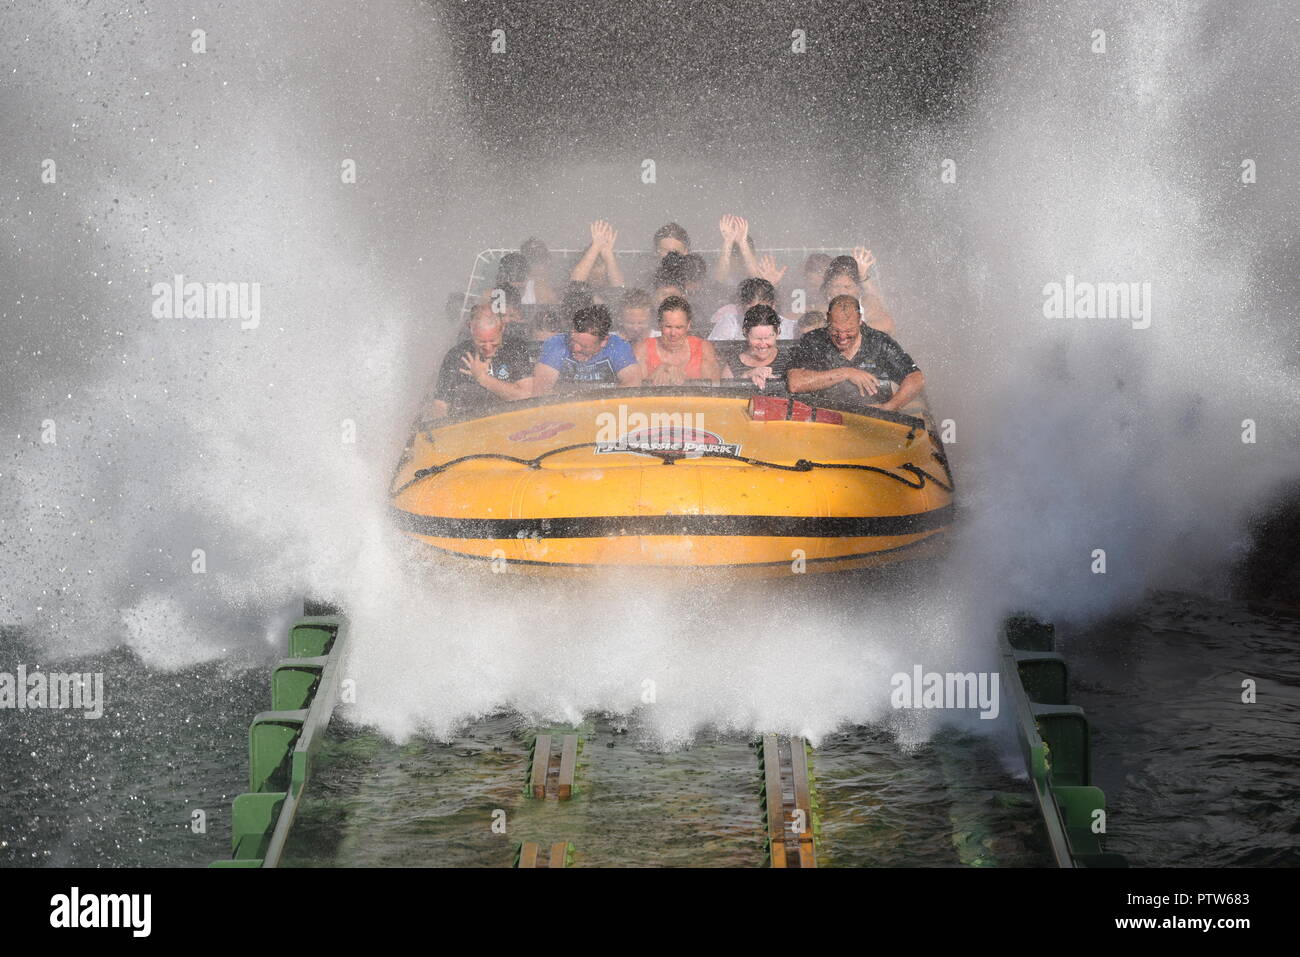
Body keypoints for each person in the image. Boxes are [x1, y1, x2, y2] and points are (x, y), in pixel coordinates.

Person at [785, 295, 924, 411]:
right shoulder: (813, 340)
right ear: (828, 318)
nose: (842, 337)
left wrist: (890, 407)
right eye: (836, 331)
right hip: (824, 420)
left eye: (849, 331)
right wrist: (846, 373)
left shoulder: (879, 342)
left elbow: (916, 377)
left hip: (874, 421)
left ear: (860, 320)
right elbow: (795, 383)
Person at [430, 305, 535, 418]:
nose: (488, 348)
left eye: (493, 341)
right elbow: (440, 406)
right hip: (468, 425)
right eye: (481, 342)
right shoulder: (456, 356)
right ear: (471, 329)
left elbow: (526, 395)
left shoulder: (515, 348)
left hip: (510, 421)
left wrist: (482, 378)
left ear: (502, 327)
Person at [532, 304, 642, 394]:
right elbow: (541, 391)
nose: (575, 348)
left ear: (604, 341)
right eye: (573, 341)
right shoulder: (556, 344)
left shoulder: (618, 347)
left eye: (584, 346)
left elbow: (632, 387)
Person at [634, 295, 721, 385]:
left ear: (688, 326)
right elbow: (634, 390)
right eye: (668, 326)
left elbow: (713, 389)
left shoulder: (703, 348)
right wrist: (658, 373)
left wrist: (683, 378)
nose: (673, 333)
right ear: (659, 325)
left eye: (679, 327)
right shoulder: (643, 348)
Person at [820, 248, 896, 336]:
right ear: (828, 287)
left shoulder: (866, 302)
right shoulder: (822, 306)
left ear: (857, 288)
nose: (842, 291)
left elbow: (888, 326)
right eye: (836, 286)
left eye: (847, 287)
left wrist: (851, 329)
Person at [721, 306, 790, 391]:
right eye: (757, 338)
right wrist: (746, 376)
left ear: (778, 332)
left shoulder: (789, 361)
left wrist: (774, 382)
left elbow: (796, 394)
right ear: (746, 333)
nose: (763, 344)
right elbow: (725, 397)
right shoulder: (733, 366)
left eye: (768, 338)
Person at [707, 277, 798, 340]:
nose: (759, 316)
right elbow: (715, 354)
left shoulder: (789, 327)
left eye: (764, 311)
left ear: (773, 306)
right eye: (753, 312)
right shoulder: (730, 323)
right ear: (742, 307)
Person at [569, 220, 626, 292]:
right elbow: (576, 285)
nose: (598, 280)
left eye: (602, 276)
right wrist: (596, 246)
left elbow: (620, 291)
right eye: (594, 276)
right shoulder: (578, 296)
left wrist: (608, 254)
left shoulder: (610, 296)